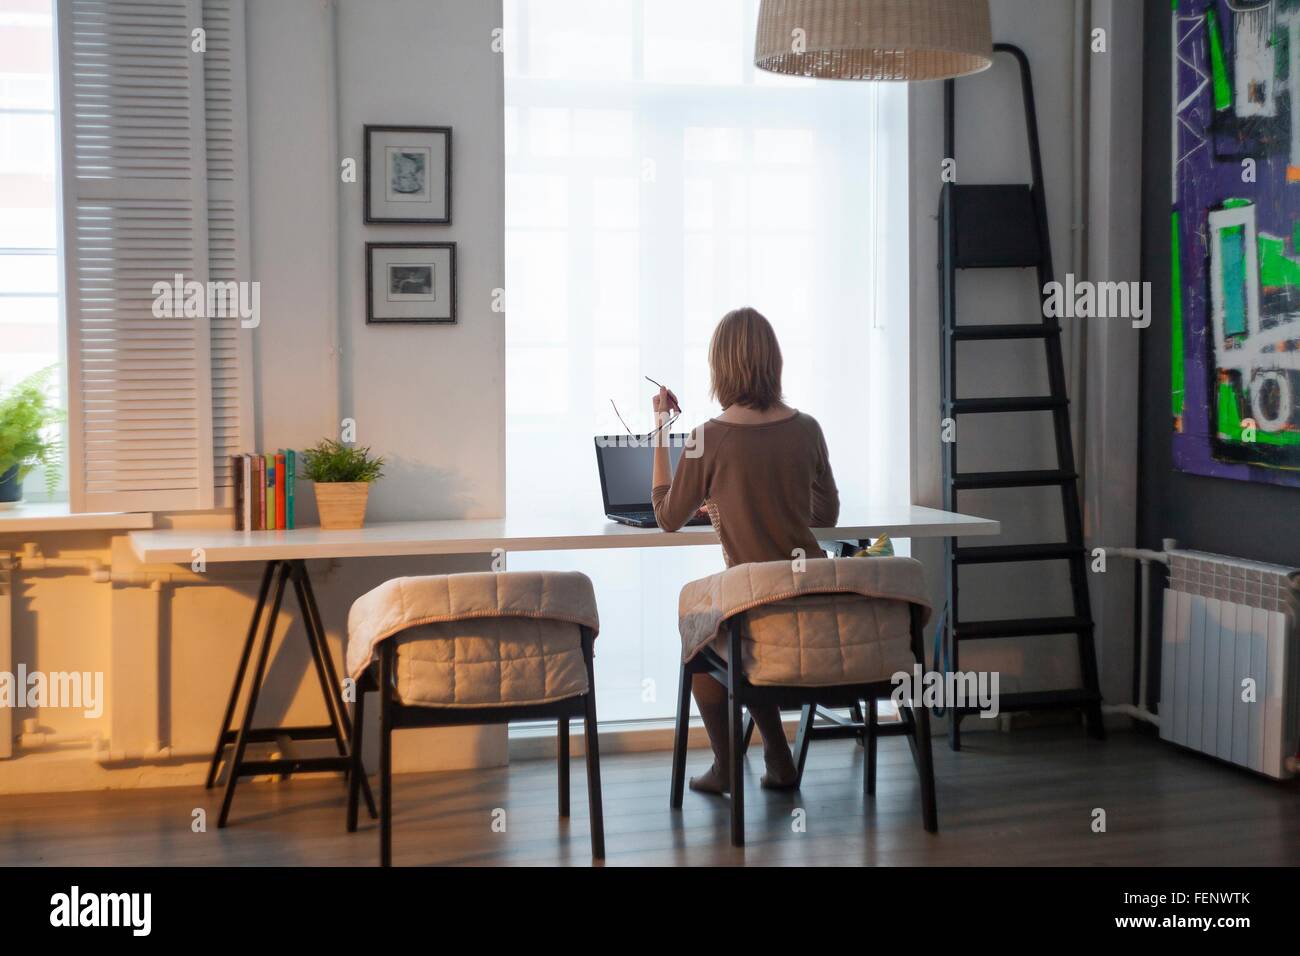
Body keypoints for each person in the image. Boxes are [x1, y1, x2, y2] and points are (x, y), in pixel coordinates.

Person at [651, 306, 839, 793]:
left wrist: (658, 429)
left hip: (756, 609)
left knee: (702, 639)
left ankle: (727, 764)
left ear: (721, 366)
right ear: (773, 361)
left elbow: (667, 517)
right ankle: (778, 759)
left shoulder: (704, 438)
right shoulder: (809, 428)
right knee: (743, 632)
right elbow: (826, 517)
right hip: (812, 604)